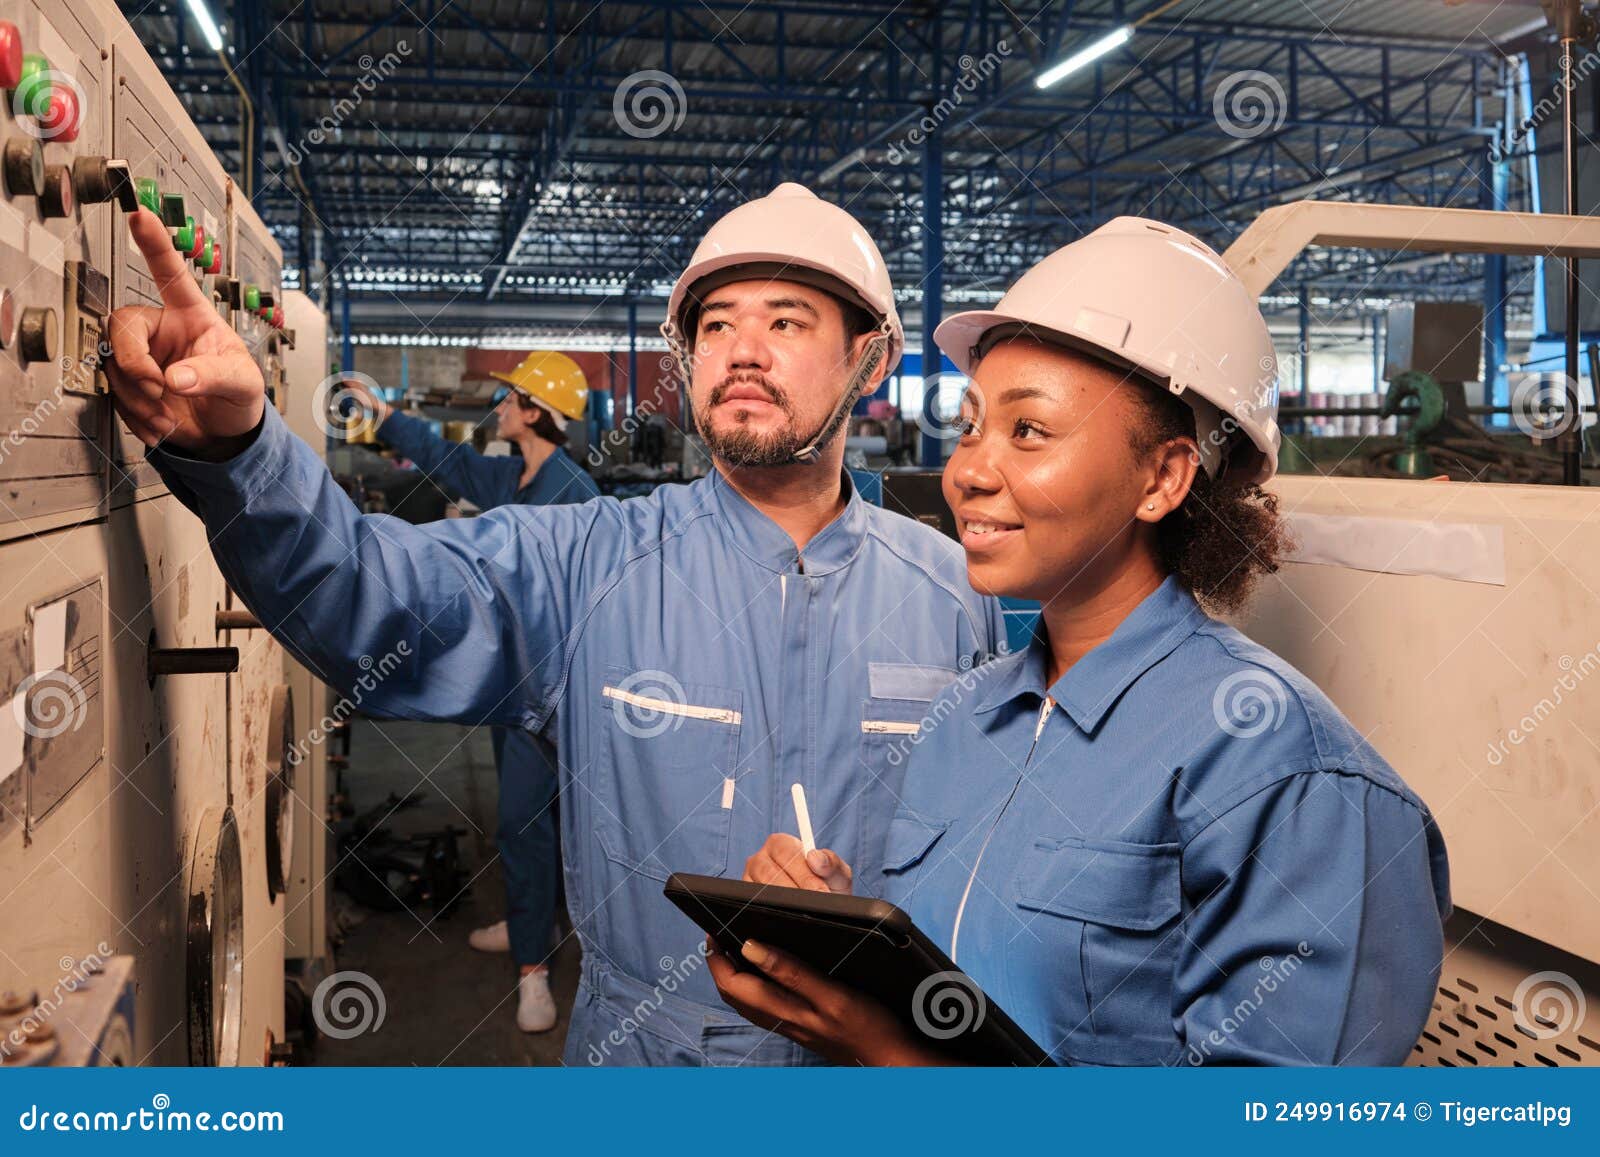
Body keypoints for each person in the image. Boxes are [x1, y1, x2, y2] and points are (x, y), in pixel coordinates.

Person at [102, 183, 1004, 1066]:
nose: (741, 351)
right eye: (717, 325)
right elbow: (366, 593)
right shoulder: (592, 566)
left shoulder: (953, 593)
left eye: (787, 322)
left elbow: (994, 857)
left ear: (870, 361)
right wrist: (242, 449)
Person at [711, 217, 1452, 1066]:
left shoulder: (1290, 777)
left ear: (1163, 477)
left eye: (1028, 431)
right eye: (970, 426)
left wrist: (891, 1053)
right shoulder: (965, 716)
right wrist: (845, 946)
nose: (967, 472)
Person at [345, 354, 599, 1034]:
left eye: (511, 398)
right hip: (512, 676)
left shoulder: (571, 491)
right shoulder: (515, 477)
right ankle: (527, 923)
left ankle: (534, 970)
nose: (500, 407)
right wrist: (384, 415)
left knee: (524, 818)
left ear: (536, 411)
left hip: (552, 687)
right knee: (526, 817)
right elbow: (446, 463)